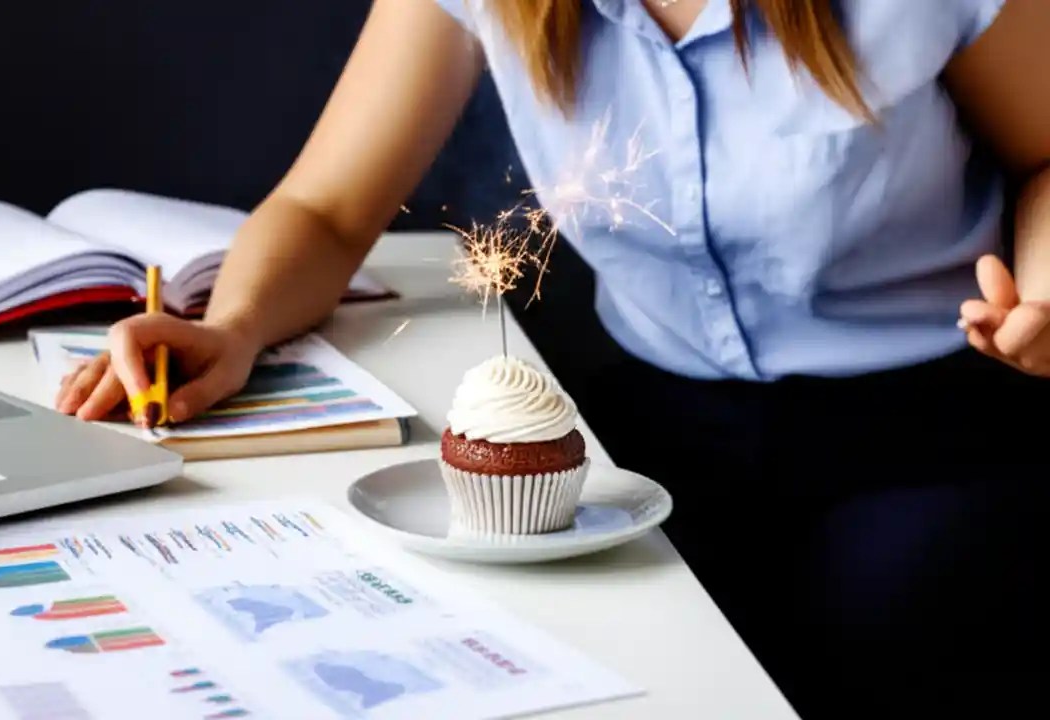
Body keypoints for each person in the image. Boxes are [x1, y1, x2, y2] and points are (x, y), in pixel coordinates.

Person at [57, 1, 1049, 716]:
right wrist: (230, 328)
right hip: (655, 426)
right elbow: (325, 208)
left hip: (933, 419)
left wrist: (1042, 295)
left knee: (879, 626)